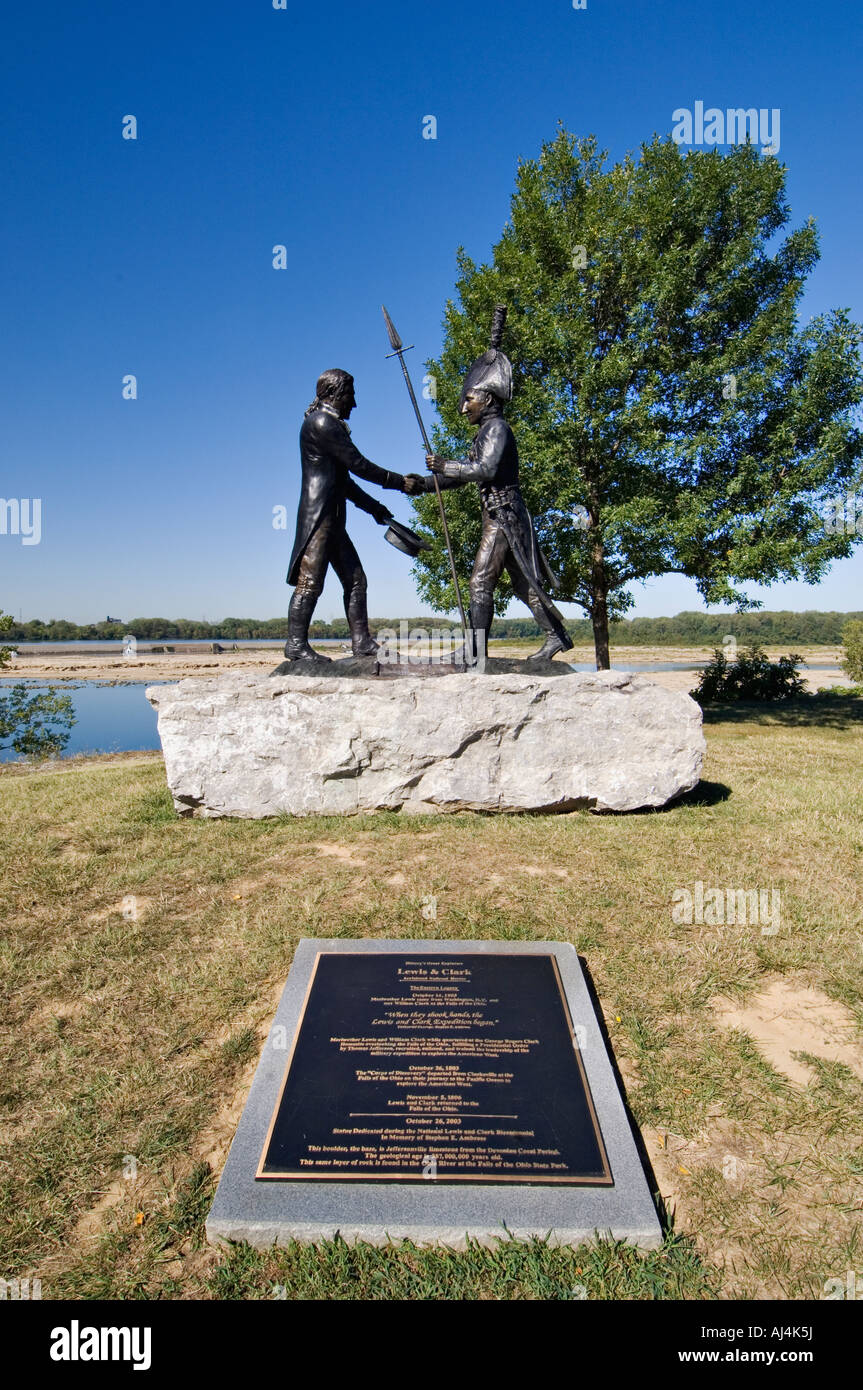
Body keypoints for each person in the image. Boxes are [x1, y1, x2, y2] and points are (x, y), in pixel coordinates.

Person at [423, 307, 574, 665]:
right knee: (524, 583)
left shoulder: (497, 430)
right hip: (502, 514)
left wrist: (447, 465)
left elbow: (485, 469)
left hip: (503, 516)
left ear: (488, 398)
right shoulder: (486, 432)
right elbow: (467, 473)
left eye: (469, 399)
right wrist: (424, 484)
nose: (463, 409)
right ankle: (556, 636)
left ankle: (476, 651)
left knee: (480, 582)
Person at [285, 368, 425, 661]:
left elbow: (344, 482)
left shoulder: (329, 423)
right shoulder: (323, 423)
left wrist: (374, 508)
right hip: (319, 520)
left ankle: (361, 641)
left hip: (333, 521)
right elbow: (359, 464)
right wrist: (400, 482)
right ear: (336, 394)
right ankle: (295, 644)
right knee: (310, 582)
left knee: (356, 580)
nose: (354, 404)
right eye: (351, 395)